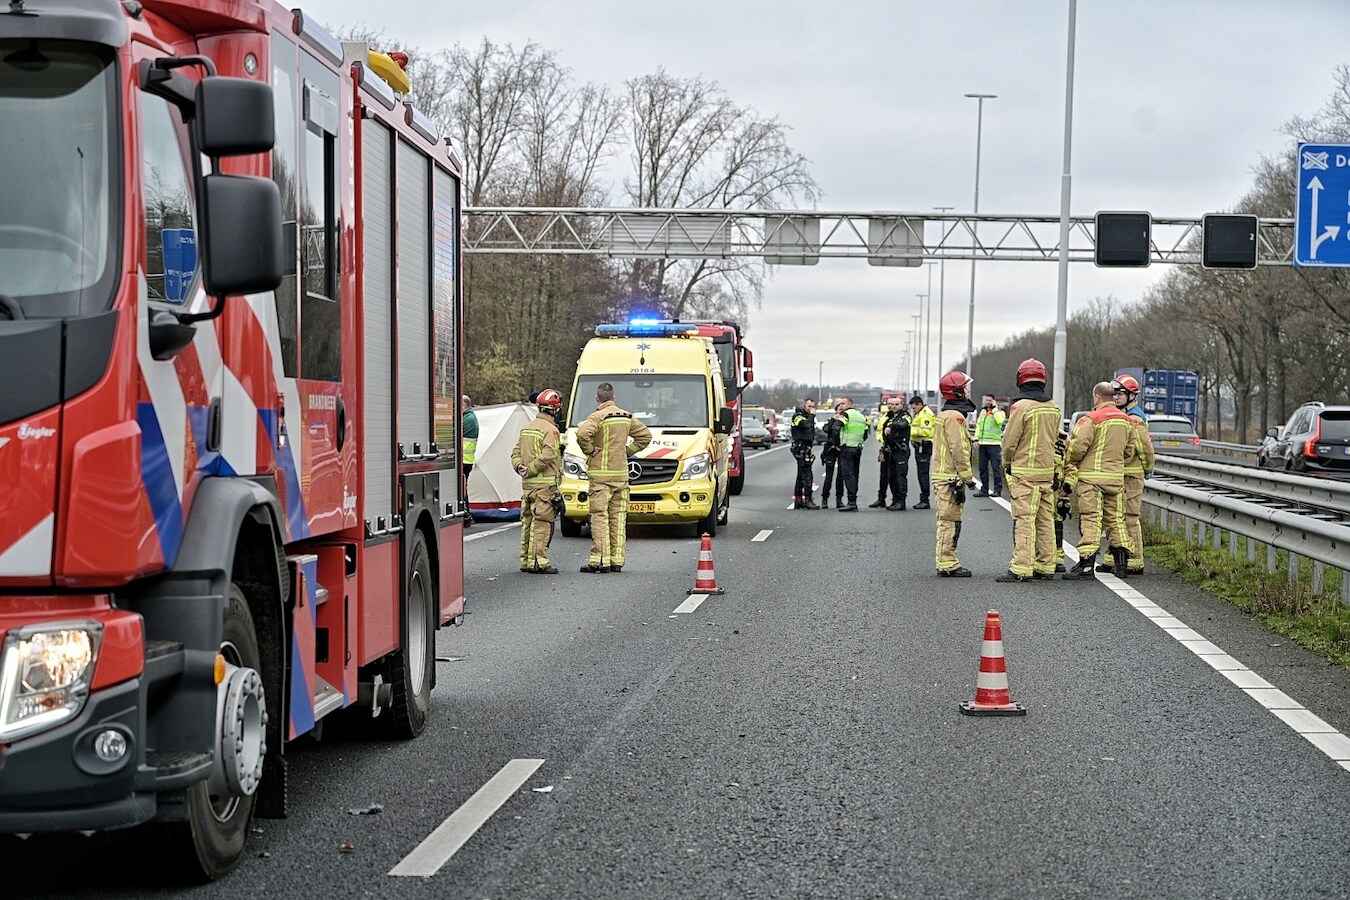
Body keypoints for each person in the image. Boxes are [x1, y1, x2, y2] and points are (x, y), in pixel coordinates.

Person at [996, 359, 1062, 582]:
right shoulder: (1053, 407)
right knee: (1045, 520)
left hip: (1025, 473)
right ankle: (1046, 565)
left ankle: (1021, 568)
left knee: (1024, 519)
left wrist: (1006, 462)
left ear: (1021, 379)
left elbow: (1009, 441)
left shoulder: (1021, 407)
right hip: (1046, 472)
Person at [575, 382, 652, 573]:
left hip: (601, 478)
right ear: (613, 397)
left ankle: (600, 560)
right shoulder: (626, 417)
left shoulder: (598, 417)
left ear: (597, 398)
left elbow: (583, 434)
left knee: (600, 516)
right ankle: (617, 560)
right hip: (621, 476)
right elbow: (645, 436)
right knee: (618, 517)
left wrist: (590, 450)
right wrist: (627, 451)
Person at [1062, 381, 1133, 579]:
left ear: (1097, 397)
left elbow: (1077, 448)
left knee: (1091, 518)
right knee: (1116, 519)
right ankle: (1121, 564)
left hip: (1092, 479)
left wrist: (1073, 461)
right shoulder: (1126, 420)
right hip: (1115, 479)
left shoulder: (1091, 419)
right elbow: (1130, 450)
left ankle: (1086, 564)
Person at [1102, 375, 1155, 577]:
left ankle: (1134, 561)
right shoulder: (1121, 415)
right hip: (1118, 475)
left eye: (1120, 394)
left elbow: (1145, 448)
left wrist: (1148, 468)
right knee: (1115, 518)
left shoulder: (1135, 419)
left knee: (1129, 518)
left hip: (1131, 476)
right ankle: (1113, 559)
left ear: (1132, 396)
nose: (1116, 397)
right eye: (1114, 394)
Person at [512, 389, 564, 574]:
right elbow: (549, 454)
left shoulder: (527, 428)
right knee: (542, 522)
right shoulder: (551, 430)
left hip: (527, 486)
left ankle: (526, 560)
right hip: (544, 486)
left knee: (527, 522)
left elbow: (515, 453)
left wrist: (520, 467)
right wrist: (532, 469)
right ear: (554, 409)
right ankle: (539, 562)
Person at [933, 371, 977, 576]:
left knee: (950, 519)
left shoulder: (947, 414)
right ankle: (947, 563)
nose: (968, 391)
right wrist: (968, 478)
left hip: (945, 475)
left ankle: (947, 560)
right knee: (949, 520)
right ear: (957, 392)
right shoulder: (955, 417)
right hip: (949, 477)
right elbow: (958, 450)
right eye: (965, 387)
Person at [871, 395, 910, 510]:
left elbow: (903, 424)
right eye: (892, 404)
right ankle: (895, 500)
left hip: (901, 451)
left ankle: (901, 502)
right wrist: (883, 450)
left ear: (902, 405)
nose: (893, 406)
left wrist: (891, 426)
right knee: (891, 477)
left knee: (900, 477)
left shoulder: (905, 416)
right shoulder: (890, 417)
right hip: (890, 450)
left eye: (896, 404)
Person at [836, 396, 869, 511]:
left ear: (850, 404)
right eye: (840, 404)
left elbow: (836, 427)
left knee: (848, 476)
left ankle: (851, 502)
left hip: (847, 448)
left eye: (843, 403)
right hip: (857, 448)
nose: (841, 406)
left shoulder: (846, 415)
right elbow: (865, 434)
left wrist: (837, 443)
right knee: (855, 475)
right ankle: (853, 501)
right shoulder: (861, 416)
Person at [973, 393, 1006, 497]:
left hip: (994, 444)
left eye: (989, 400)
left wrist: (995, 409)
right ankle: (984, 490)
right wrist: (976, 439)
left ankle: (997, 490)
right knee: (982, 468)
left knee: (996, 468)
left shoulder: (999, 412)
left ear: (994, 401)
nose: (987, 402)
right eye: (986, 400)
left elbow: (1000, 421)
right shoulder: (983, 412)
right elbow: (978, 426)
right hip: (983, 443)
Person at [789, 398, 819, 509]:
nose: (811, 409)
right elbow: (805, 425)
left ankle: (798, 499)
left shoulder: (806, 416)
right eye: (809, 406)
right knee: (807, 474)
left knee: (801, 474)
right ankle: (807, 499)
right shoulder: (798, 416)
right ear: (804, 406)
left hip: (806, 447)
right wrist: (812, 416)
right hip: (800, 448)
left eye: (813, 407)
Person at [908, 395, 936, 510]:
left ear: (919, 404)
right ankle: (924, 499)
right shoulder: (920, 413)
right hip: (920, 445)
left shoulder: (925, 414)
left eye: (914, 408)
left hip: (924, 446)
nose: (913, 410)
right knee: (921, 473)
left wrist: (910, 432)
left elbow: (926, 432)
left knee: (923, 474)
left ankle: (925, 500)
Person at [819, 401, 846, 509]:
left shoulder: (845, 421)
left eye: (842, 410)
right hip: (831, 449)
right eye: (839, 410)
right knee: (829, 476)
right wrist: (834, 420)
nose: (840, 412)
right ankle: (825, 499)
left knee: (841, 476)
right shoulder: (831, 420)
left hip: (842, 449)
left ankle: (839, 499)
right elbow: (825, 429)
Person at [461, 395, 479, 526]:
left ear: (463, 404)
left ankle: (466, 516)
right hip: (465, 460)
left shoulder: (468, 419)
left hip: (464, 460)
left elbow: (454, 432)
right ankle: (466, 515)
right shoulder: (469, 417)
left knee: (461, 488)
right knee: (462, 488)